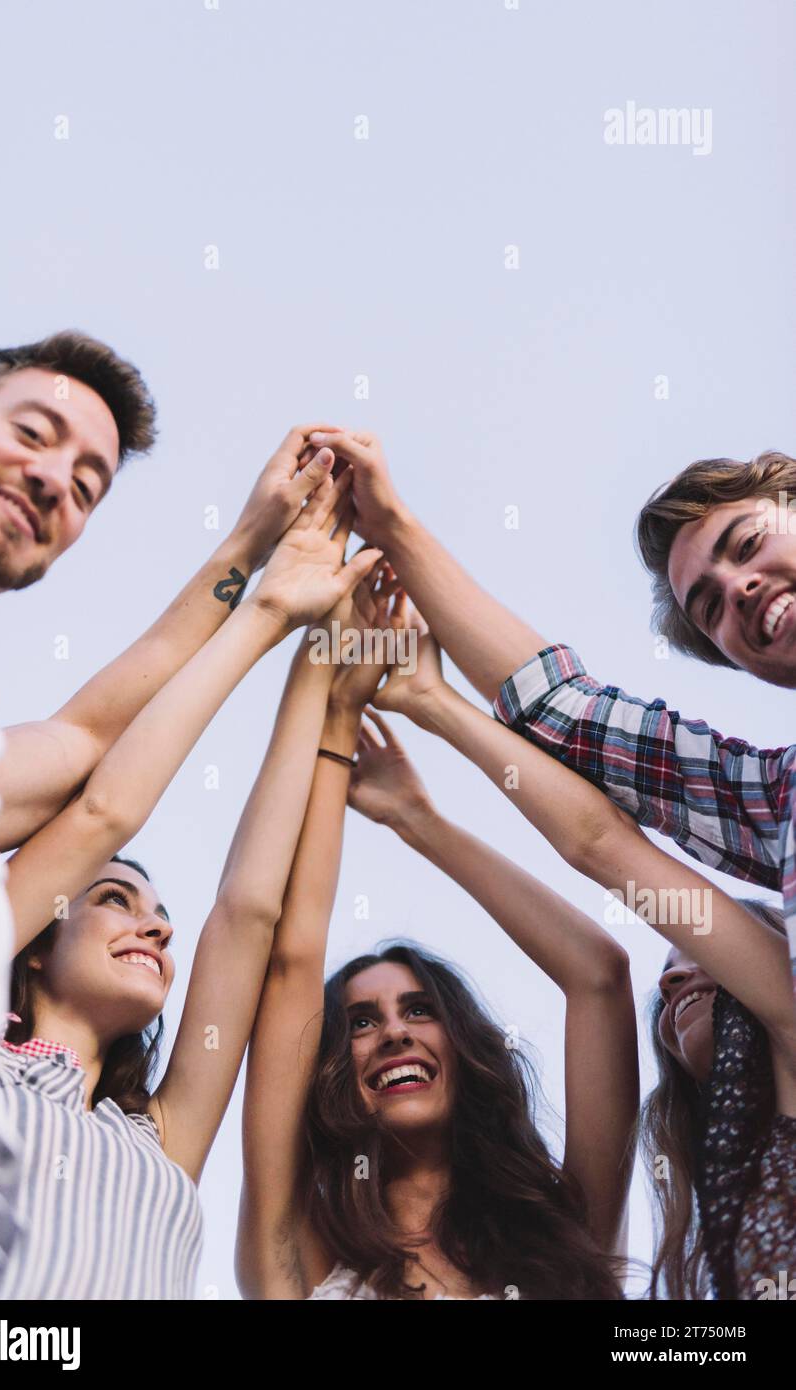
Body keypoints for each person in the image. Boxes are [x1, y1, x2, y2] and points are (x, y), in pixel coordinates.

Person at [0, 327, 338, 1284]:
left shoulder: (151, 1136)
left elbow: (88, 751)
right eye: (31, 434)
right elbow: (102, 809)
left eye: (86, 485)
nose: (53, 482)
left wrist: (283, 605)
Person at [0, 471, 383, 1297]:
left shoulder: (159, 1139)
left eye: (161, 915)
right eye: (113, 900)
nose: (158, 930)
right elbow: (102, 813)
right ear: (28, 950)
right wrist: (263, 611)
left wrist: (319, 656)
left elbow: (247, 914)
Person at [369, 611, 796, 1298]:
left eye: (695, 956)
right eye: (668, 982)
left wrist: (434, 706)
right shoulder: (718, 1200)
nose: (678, 975)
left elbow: (601, 844)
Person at [235, 600, 637, 1300]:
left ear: (465, 1046)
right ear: (330, 1072)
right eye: (359, 1022)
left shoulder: (562, 1234)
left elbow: (598, 974)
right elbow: (291, 959)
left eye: (419, 1011)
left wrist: (417, 821)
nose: (392, 1032)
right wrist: (333, 719)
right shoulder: (298, 1256)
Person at [307, 431, 796, 1002]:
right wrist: (389, 526)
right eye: (710, 608)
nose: (739, 588)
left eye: (749, 543)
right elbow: (563, 712)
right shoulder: (778, 800)